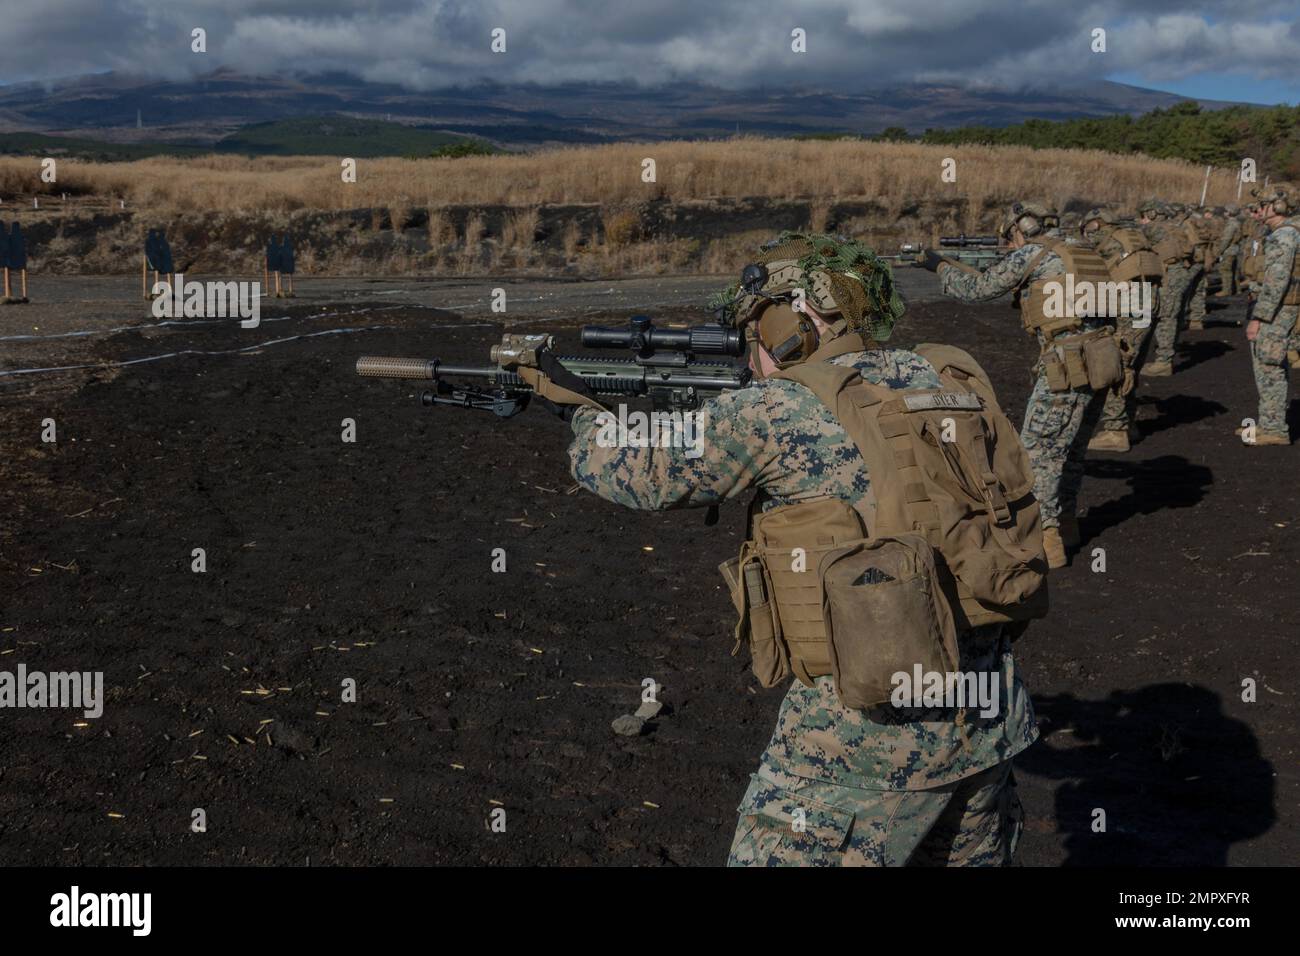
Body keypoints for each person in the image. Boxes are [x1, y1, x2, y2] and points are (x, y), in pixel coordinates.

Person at [536, 232, 1041, 866]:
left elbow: (631, 471)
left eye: (758, 326)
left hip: (857, 751)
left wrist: (579, 407)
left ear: (800, 315)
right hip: (988, 727)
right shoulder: (950, 378)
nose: (753, 350)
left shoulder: (779, 409)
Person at [923, 202, 1120, 568]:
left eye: (1008, 237)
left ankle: (1044, 541)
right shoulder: (1084, 252)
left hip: (1067, 362)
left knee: (1037, 452)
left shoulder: (1035, 254)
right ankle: (1065, 524)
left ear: (1019, 228)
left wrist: (939, 267)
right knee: (1071, 448)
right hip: (1102, 359)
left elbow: (976, 289)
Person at [1078, 208, 1163, 453]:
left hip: (1132, 303)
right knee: (1131, 365)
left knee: (1116, 363)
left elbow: (1080, 255)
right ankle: (1129, 424)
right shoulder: (1133, 236)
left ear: (1096, 225)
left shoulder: (1105, 238)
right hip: (1148, 299)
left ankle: (1116, 431)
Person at [1243, 188, 1299, 446]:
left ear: (1277, 207)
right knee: (1270, 364)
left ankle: (1274, 428)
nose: (1258, 209)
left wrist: (1259, 318)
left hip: (1278, 311)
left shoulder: (1284, 236)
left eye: (1263, 204)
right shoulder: (1281, 233)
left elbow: (1276, 282)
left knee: (1269, 366)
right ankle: (1269, 423)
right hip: (1281, 308)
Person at [1137, 200, 1197, 376]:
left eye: (1142, 216)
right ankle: (1166, 355)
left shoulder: (1153, 229)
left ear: (1151, 214)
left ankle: (1163, 361)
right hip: (1181, 273)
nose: (1141, 221)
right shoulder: (1174, 226)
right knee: (1174, 316)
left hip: (1170, 275)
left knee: (1166, 317)